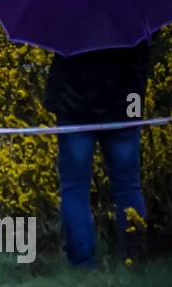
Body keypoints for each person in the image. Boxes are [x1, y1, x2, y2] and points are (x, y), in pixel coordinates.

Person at [44, 41, 152, 268]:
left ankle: (82, 262)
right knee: (128, 186)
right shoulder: (134, 10)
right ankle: (135, 256)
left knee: (74, 187)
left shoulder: (67, 9)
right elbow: (145, 51)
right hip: (125, 105)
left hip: (75, 107)